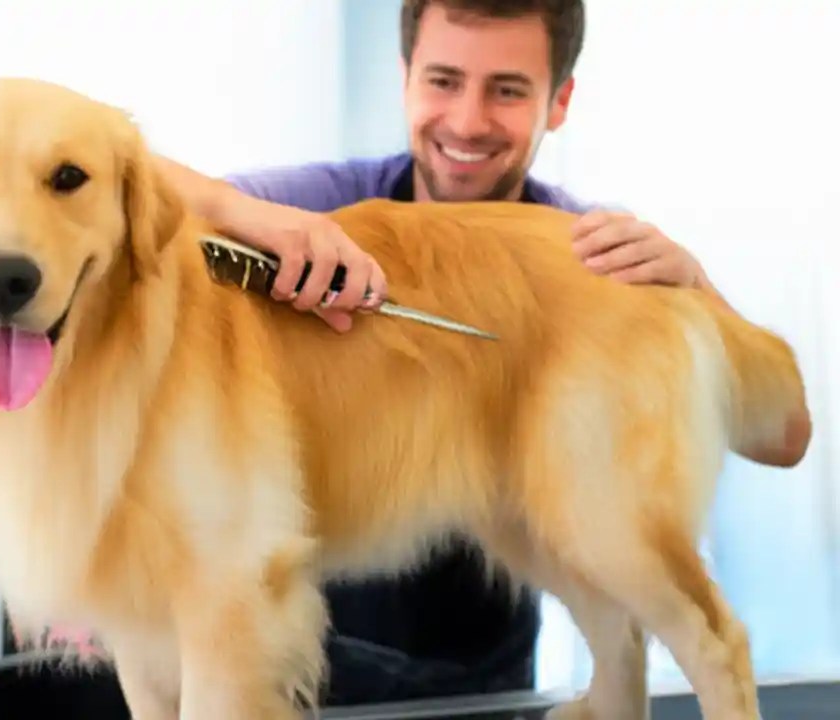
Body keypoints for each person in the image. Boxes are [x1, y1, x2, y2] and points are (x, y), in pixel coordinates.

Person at [152, 0, 734, 704]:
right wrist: (240, 214)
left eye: (508, 90)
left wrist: (697, 293)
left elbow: (784, 437)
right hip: (312, 653)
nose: (466, 121)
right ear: (405, 79)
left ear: (560, 101)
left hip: (478, 683)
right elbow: (139, 190)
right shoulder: (314, 208)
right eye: (443, 80)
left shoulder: (582, 258)